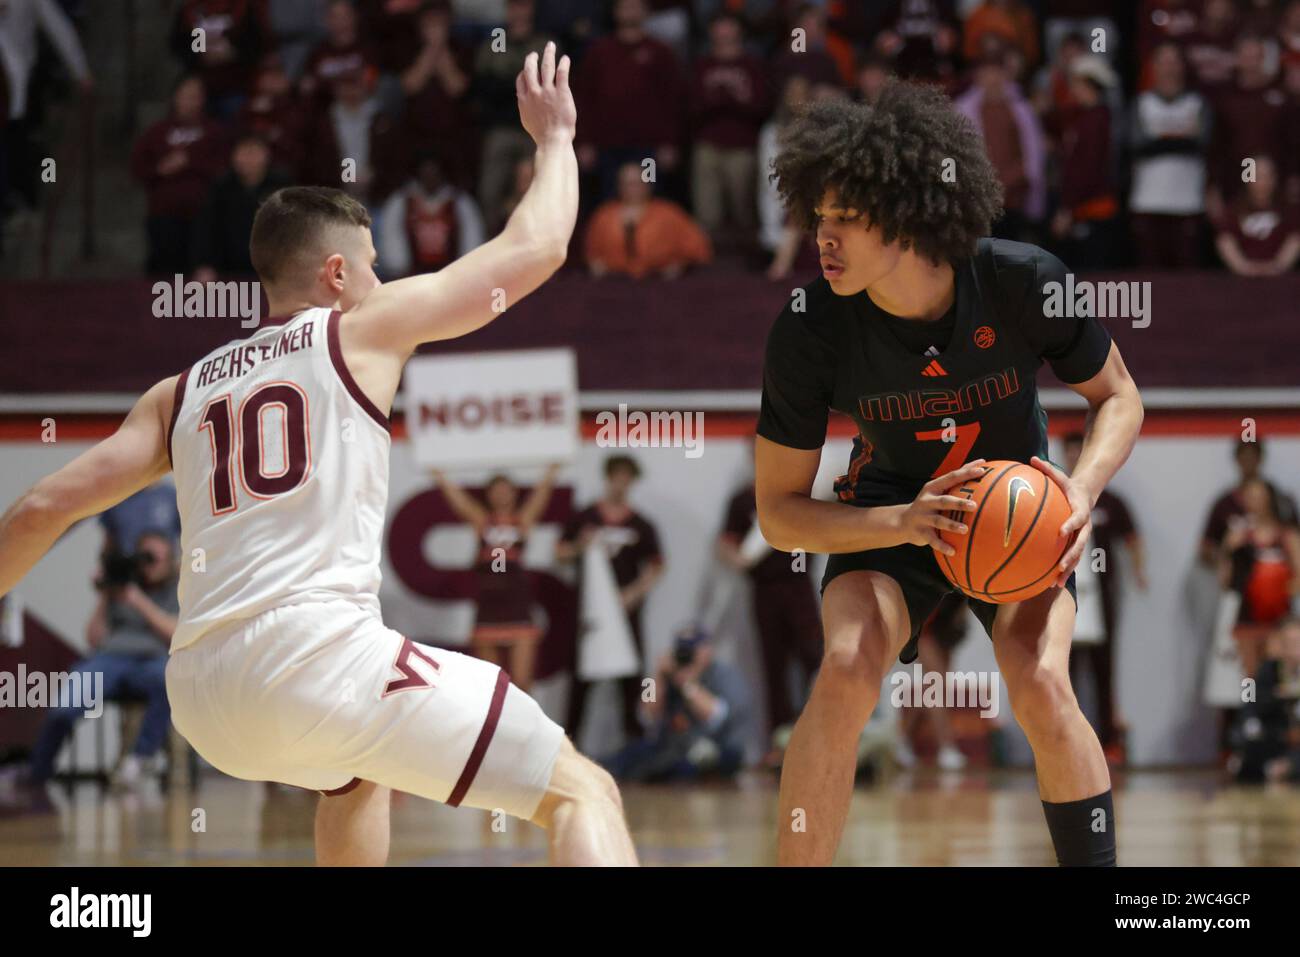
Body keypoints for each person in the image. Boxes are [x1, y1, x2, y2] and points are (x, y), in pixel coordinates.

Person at [0, 45, 637, 867]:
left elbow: (41, 508)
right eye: (373, 265)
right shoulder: (360, 328)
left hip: (199, 691)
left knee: (355, 774)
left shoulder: (179, 390)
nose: (383, 279)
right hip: (311, 657)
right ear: (337, 273)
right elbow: (537, 248)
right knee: (583, 790)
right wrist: (554, 141)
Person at [755, 81, 1144, 866]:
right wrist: (900, 521)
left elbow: (1120, 398)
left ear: (903, 215)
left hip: (1020, 511)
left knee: (1039, 681)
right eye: (818, 216)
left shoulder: (1023, 279)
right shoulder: (811, 329)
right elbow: (779, 513)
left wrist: (1081, 488)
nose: (822, 238)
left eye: (847, 220)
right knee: (843, 670)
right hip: (891, 513)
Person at [10, 531, 179, 800]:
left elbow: (176, 635)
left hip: (153, 660)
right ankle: (37, 772)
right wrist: (105, 593)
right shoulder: (119, 587)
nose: (148, 565)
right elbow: (93, 639)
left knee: (170, 679)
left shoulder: (178, 589)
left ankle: (138, 760)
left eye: (154, 558)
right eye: (143, 557)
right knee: (67, 703)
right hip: (110, 659)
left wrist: (138, 601)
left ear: (170, 560)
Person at [556, 455, 664, 742]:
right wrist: (582, 545)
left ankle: (634, 742)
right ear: (607, 477)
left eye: (626, 477)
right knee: (582, 676)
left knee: (631, 676)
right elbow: (560, 552)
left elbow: (657, 565)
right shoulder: (585, 518)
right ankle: (571, 741)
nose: (620, 483)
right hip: (589, 613)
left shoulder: (641, 524)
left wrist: (634, 593)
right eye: (616, 476)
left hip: (625, 611)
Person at [716, 476, 820, 760]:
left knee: (815, 661)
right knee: (774, 667)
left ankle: (822, 739)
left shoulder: (800, 491)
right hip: (765, 590)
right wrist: (736, 559)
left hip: (799, 586)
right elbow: (726, 542)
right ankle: (781, 746)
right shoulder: (743, 500)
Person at [432, 466, 559, 692]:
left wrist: (553, 468)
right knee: (489, 684)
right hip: (488, 607)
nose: (501, 495)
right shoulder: (482, 521)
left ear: (514, 493)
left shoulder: (522, 521)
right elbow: (458, 500)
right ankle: (495, 727)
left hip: (518, 606)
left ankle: (523, 727)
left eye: (506, 490)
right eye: (496, 490)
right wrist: (437, 472)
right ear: (489, 494)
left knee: (522, 684)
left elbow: (541, 496)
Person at [1062, 431, 1146, 760]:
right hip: (1065, 592)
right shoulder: (1054, 497)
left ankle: (1109, 741)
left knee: (1103, 669)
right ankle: (1067, 742)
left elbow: (1133, 539)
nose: (1073, 457)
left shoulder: (1110, 501)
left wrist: (1139, 571)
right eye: (1068, 452)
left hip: (1103, 596)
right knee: (1064, 668)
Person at [601, 625, 752, 782]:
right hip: (673, 747)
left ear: (707, 651)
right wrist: (656, 675)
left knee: (688, 766)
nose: (687, 655)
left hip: (715, 747)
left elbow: (716, 716)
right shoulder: (661, 676)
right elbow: (645, 714)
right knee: (626, 757)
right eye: (683, 649)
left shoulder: (725, 674)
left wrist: (685, 682)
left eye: (693, 650)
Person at [583, 161, 713, 279]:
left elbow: (698, 248)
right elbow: (592, 253)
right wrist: (595, 264)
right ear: (619, 186)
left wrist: (681, 264)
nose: (632, 188)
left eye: (637, 183)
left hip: (660, 283)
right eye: (627, 183)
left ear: (647, 185)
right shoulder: (603, 215)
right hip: (614, 282)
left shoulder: (668, 213)